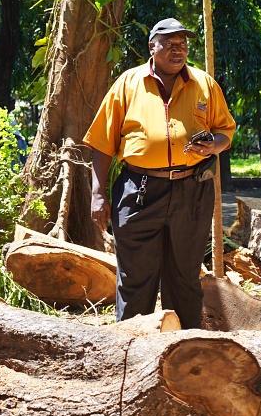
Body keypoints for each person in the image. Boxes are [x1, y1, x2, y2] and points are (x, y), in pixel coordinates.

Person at [84, 18, 235, 329]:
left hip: (192, 191)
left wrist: (212, 146)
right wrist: (98, 194)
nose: (177, 50)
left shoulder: (204, 84)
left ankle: (185, 351)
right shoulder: (128, 83)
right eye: (169, 44)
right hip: (138, 191)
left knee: (184, 275)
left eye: (182, 45)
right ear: (152, 47)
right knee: (136, 277)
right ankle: (130, 349)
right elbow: (101, 143)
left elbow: (225, 131)